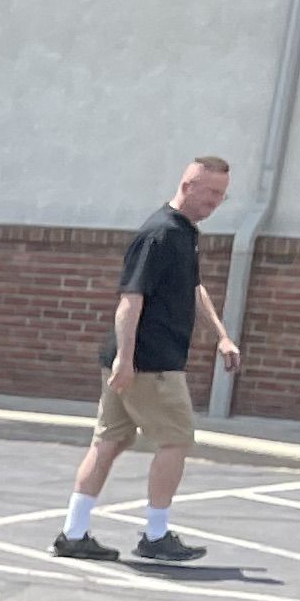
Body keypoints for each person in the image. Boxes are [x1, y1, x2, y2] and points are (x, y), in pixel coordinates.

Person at [56, 155, 238, 565]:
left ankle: (73, 532)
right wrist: (125, 359)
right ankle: (155, 535)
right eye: (210, 193)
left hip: (138, 362)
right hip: (150, 364)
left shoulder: (184, 233)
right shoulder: (159, 234)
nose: (215, 202)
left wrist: (222, 336)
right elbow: (129, 300)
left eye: (221, 196)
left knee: (110, 440)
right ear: (188, 184)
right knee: (176, 440)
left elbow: (194, 288)